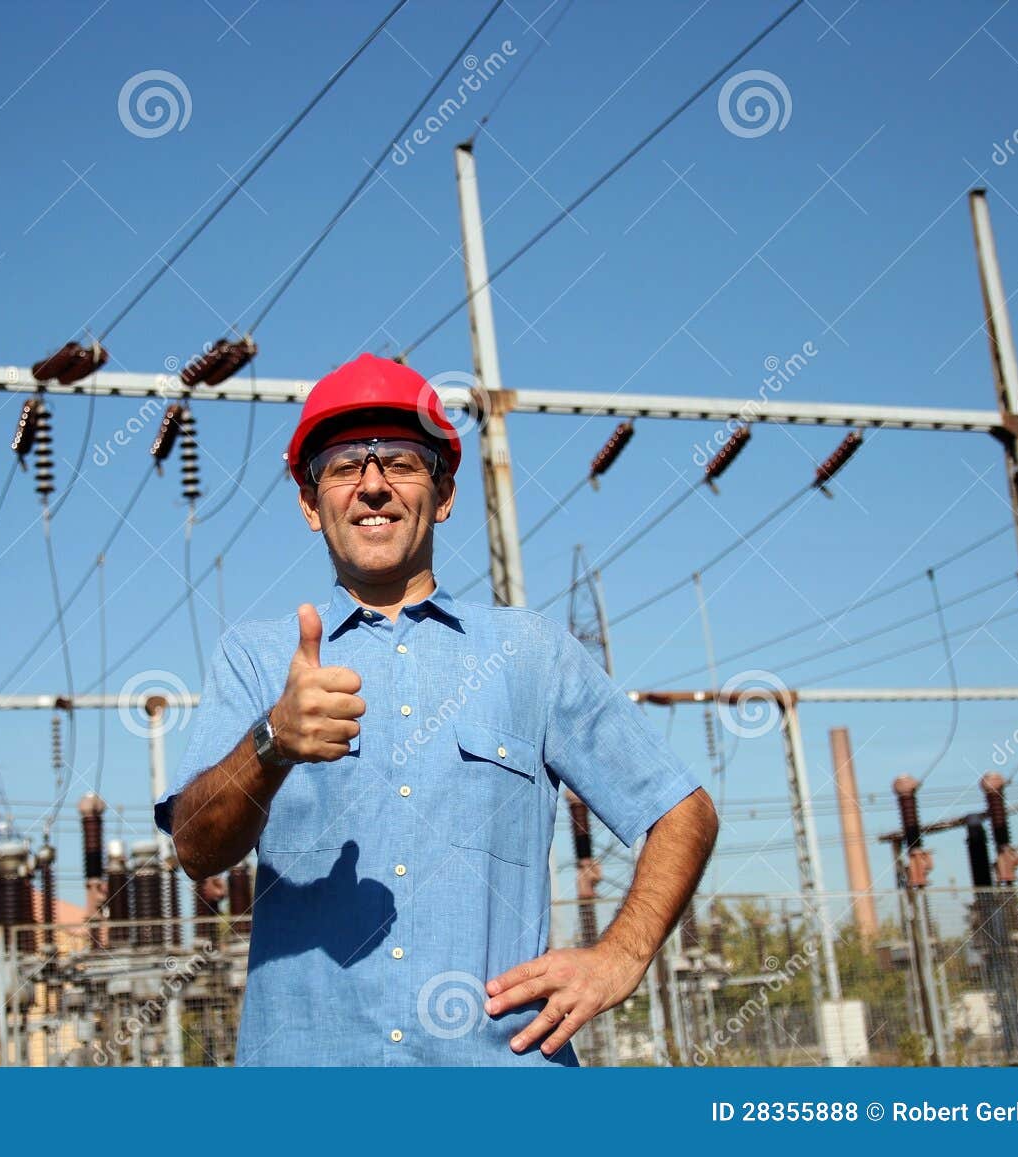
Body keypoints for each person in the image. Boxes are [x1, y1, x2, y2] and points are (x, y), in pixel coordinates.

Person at [154, 353, 717, 1066]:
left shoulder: (531, 653)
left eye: (400, 461)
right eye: (342, 466)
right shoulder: (256, 660)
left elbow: (681, 810)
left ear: (444, 493)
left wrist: (620, 956)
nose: (372, 485)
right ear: (309, 502)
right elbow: (196, 848)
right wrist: (272, 742)